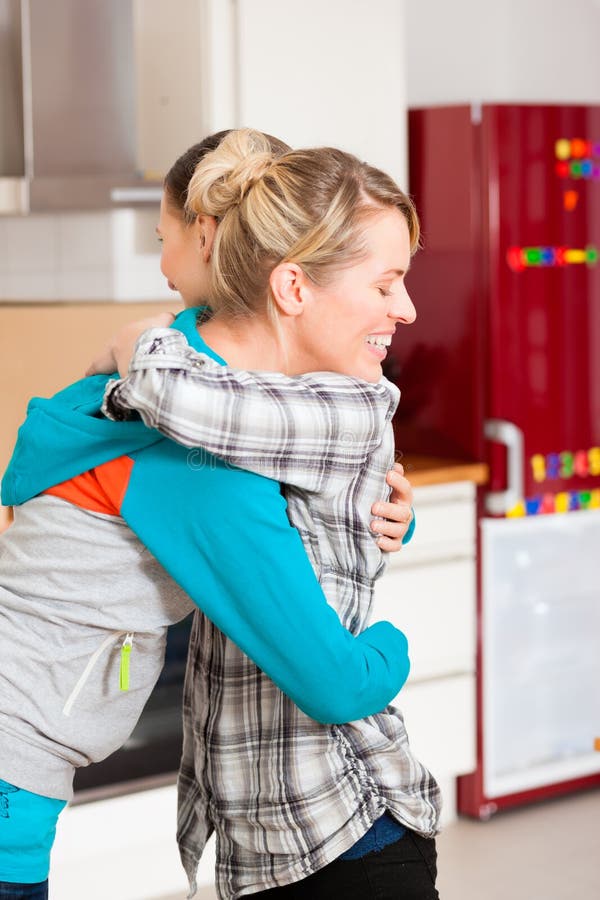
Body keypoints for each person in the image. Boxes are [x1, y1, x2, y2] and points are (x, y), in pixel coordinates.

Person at [0, 131, 415, 899]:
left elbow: (32, 456)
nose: (408, 310)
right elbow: (334, 679)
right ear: (291, 285)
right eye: (387, 285)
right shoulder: (203, 454)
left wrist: (380, 510)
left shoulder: (188, 377)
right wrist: (396, 645)